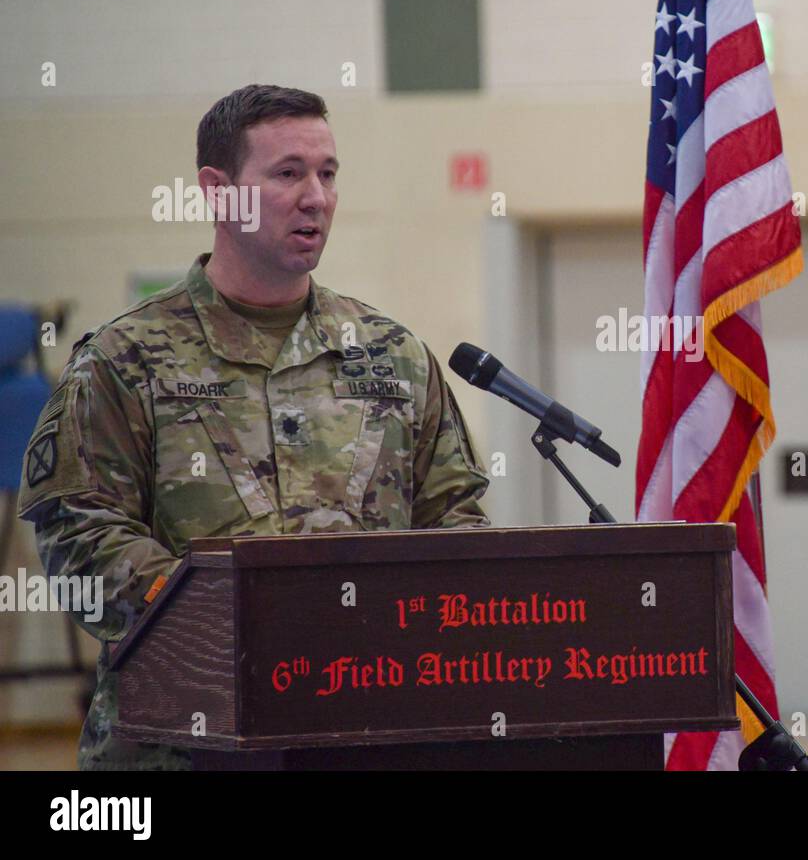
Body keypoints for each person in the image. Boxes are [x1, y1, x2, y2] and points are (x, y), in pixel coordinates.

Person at [17, 84, 491, 770]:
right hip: (182, 747)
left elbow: (456, 519)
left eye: (327, 174)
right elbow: (77, 532)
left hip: (366, 735)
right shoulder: (126, 360)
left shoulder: (393, 355)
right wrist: (237, 622)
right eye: (288, 173)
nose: (317, 197)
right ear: (218, 192)